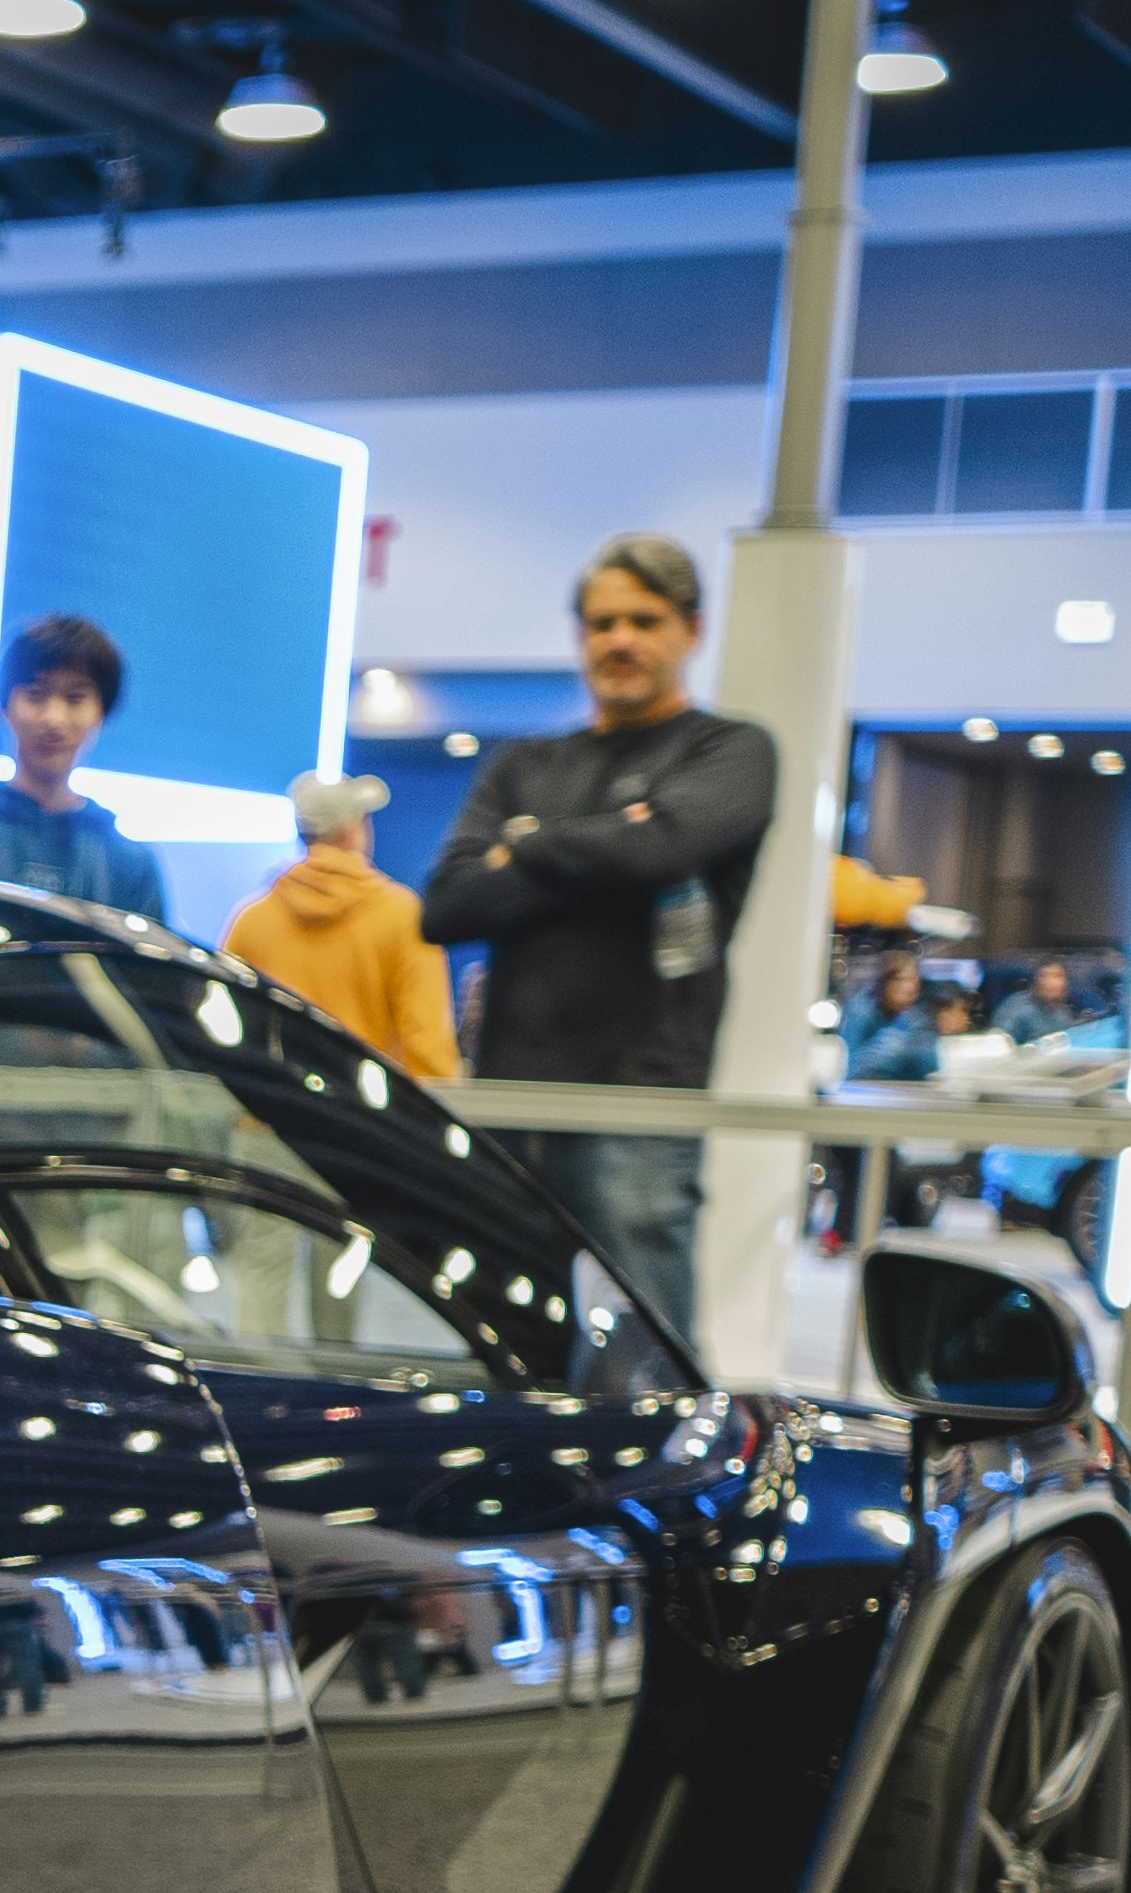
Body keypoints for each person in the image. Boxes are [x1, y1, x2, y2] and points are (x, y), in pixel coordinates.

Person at [419, 533, 778, 1343]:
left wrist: (530, 844)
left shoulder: (731, 751)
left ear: (692, 629)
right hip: (513, 1095)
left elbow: (667, 848)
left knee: (650, 1354)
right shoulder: (525, 763)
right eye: (601, 622)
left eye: (644, 620)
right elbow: (446, 906)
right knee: (505, 1343)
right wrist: (616, 842)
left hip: (641, 1100)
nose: (620, 640)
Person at [0, 613, 167, 921]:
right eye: (35, 695)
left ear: (101, 713)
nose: (54, 719)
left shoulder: (130, 868)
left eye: (75, 698)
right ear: (4, 708)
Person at [219, 769, 456, 1072]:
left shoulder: (251, 920)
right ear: (353, 830)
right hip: (368, 1113)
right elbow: (427, 1043)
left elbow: (227, 1026)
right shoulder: (401, 915)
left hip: (274, 1104)